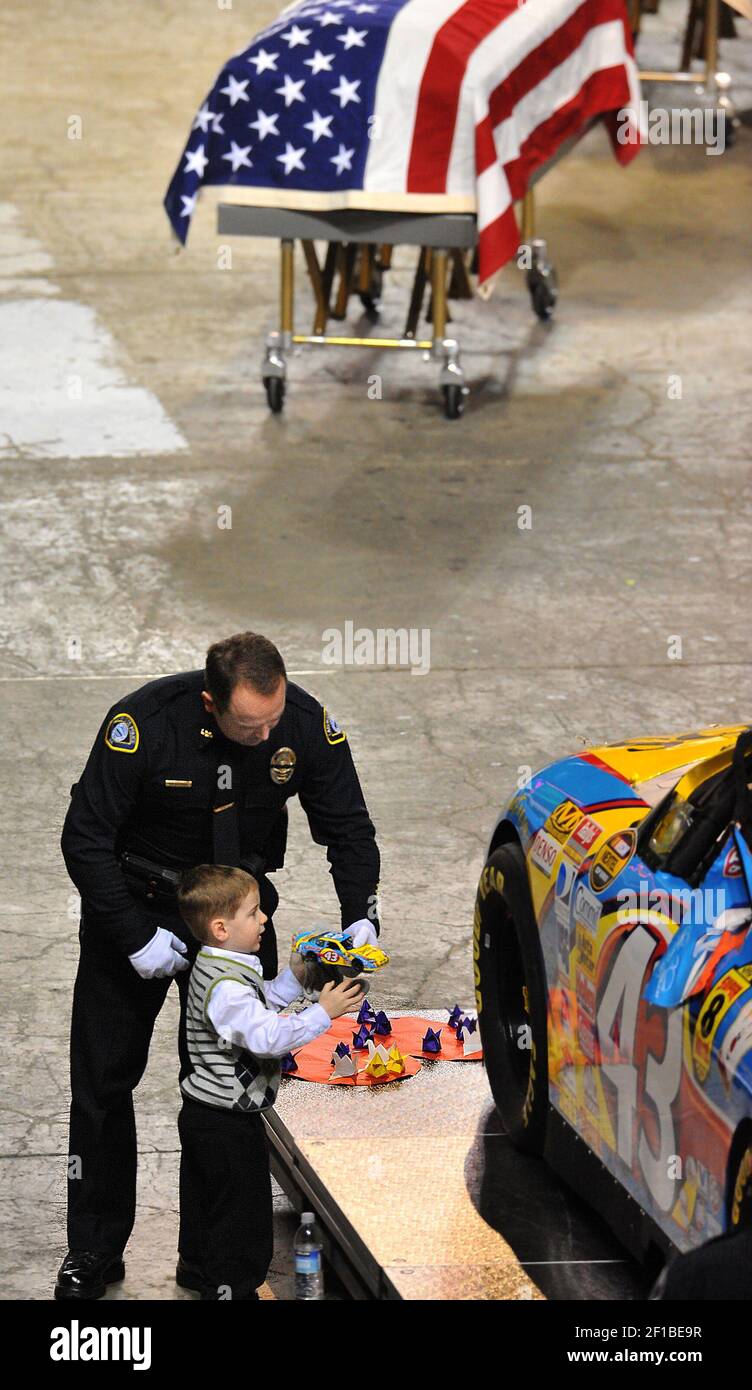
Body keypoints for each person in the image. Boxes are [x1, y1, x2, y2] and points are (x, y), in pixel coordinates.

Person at [55, 631, 380, 1299]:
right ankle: (93, 1250)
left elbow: (348, 827)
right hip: (138, 909)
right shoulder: (142, 726)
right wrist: (133, 935)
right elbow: (84, 837)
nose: (265, 735)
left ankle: (212, 1269)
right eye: (248, 725)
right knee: (103, 1084)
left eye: (274, 717)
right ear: (210, 702)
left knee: (226, 1099)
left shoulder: (302, 726)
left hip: (238, 924)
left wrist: (361, 916)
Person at [174, 864, 362, 1300]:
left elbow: (258, 1006)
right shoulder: (226, 987)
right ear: (221, 927)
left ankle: (200, 1270)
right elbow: (267, 1038)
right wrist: (323, 1013)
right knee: (242, 1215)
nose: (264, 921)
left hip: (207, 1112)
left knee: (207, 1202)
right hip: (226, 1121)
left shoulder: (222, 964)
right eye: (254, 913)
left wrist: (295, 977)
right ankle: (235, 1287)